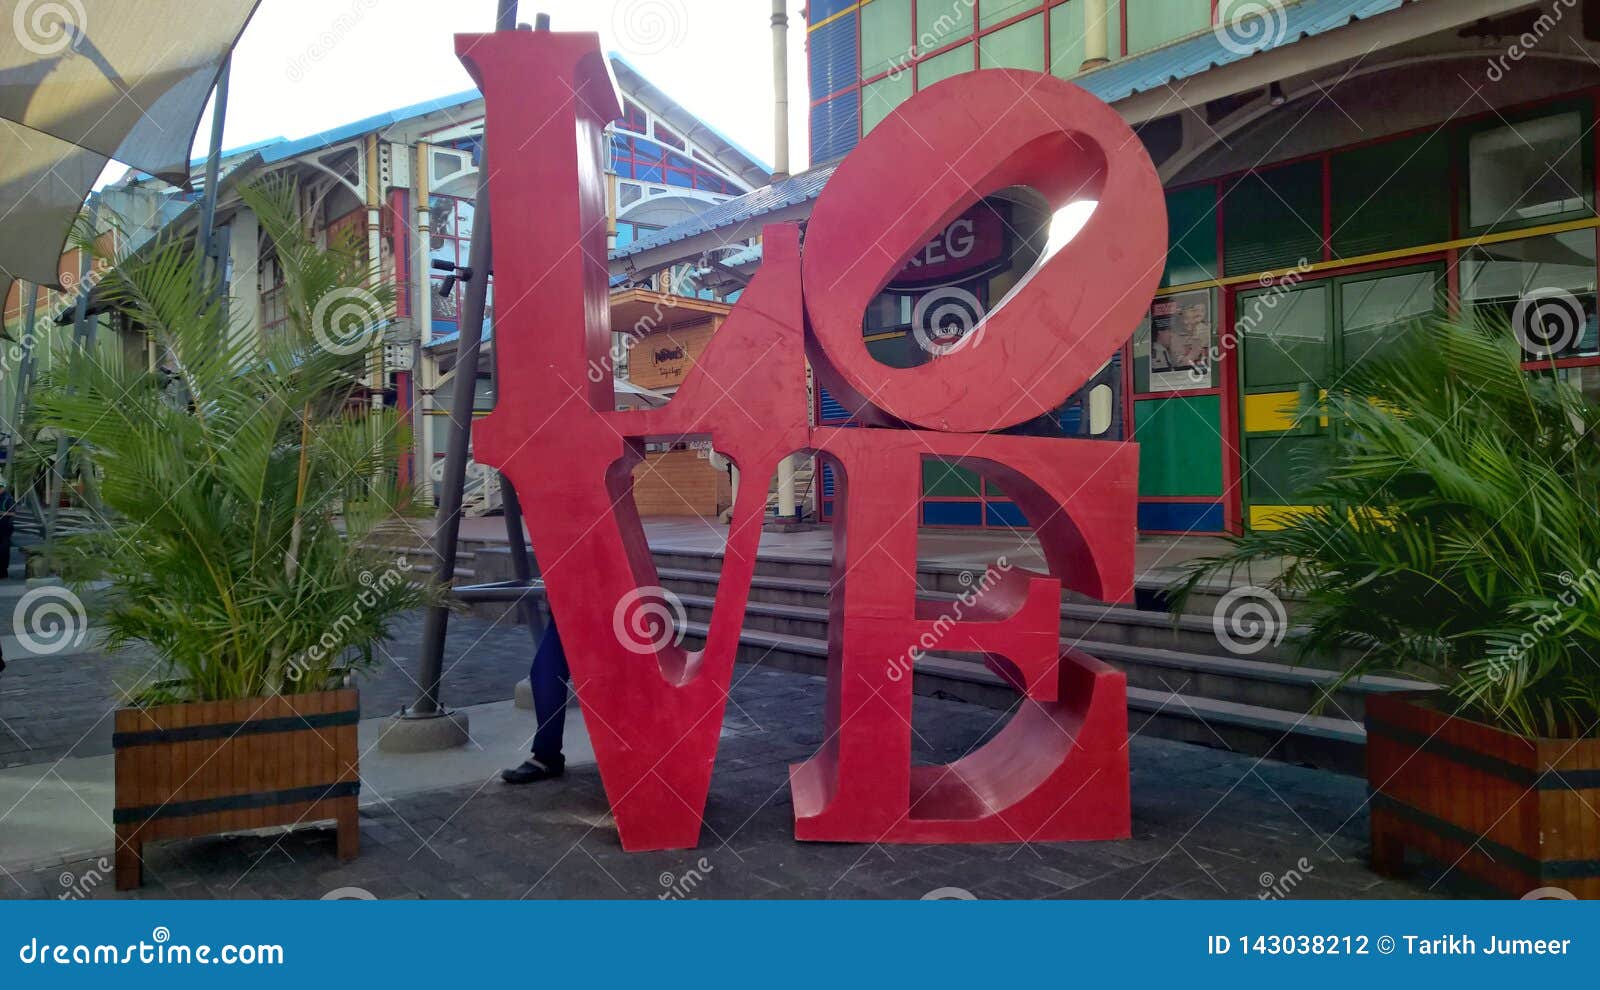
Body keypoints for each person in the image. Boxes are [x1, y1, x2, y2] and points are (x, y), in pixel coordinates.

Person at [501, 617, 570, 783]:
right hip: (568, 610)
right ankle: (547, 755)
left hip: (616, 608)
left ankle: (622, 753)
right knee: (546, 671)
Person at [0, 480, 15, 581]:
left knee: (3, 550)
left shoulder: (8, 498)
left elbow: (13, 513)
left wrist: (2, 513)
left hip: (5, 528)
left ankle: (3, 572)